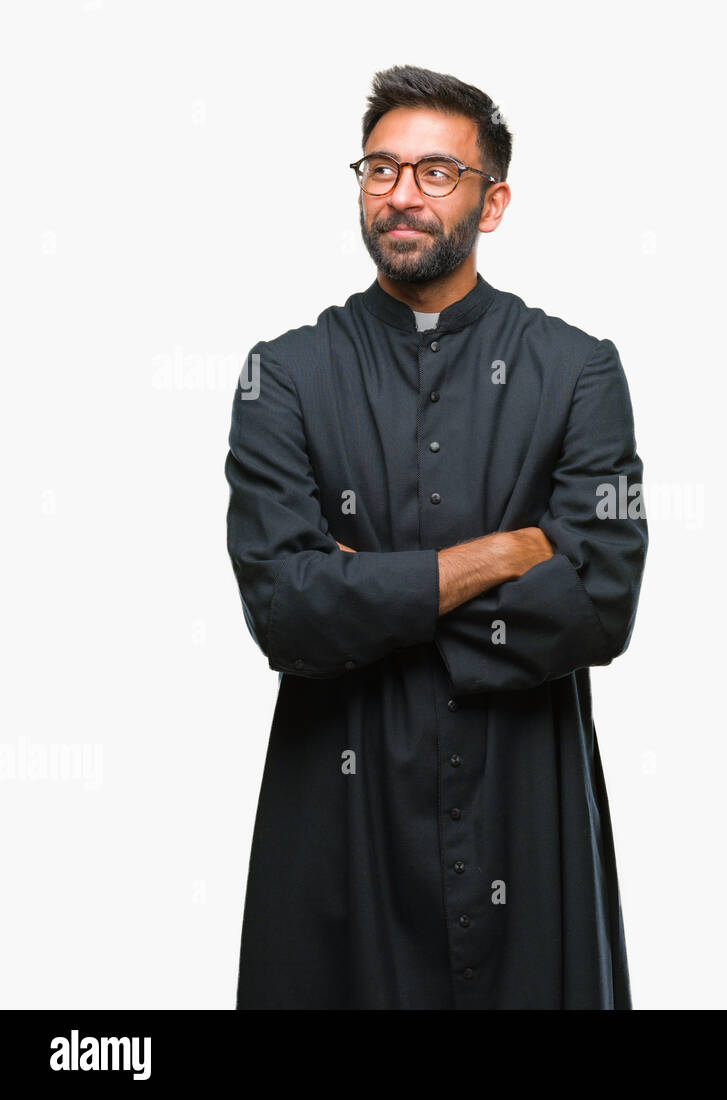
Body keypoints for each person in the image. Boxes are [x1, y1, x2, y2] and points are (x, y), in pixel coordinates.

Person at [223, 65, 648, 1009]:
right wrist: (499, 556)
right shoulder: (283, 376)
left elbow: (601, 602)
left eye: (435, 173)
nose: (402, 193)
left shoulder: (582, 371)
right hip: (340, 817)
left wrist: (365, 589)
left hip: (524, 812)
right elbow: (285, 609)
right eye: (381, 169)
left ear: (491, 202)